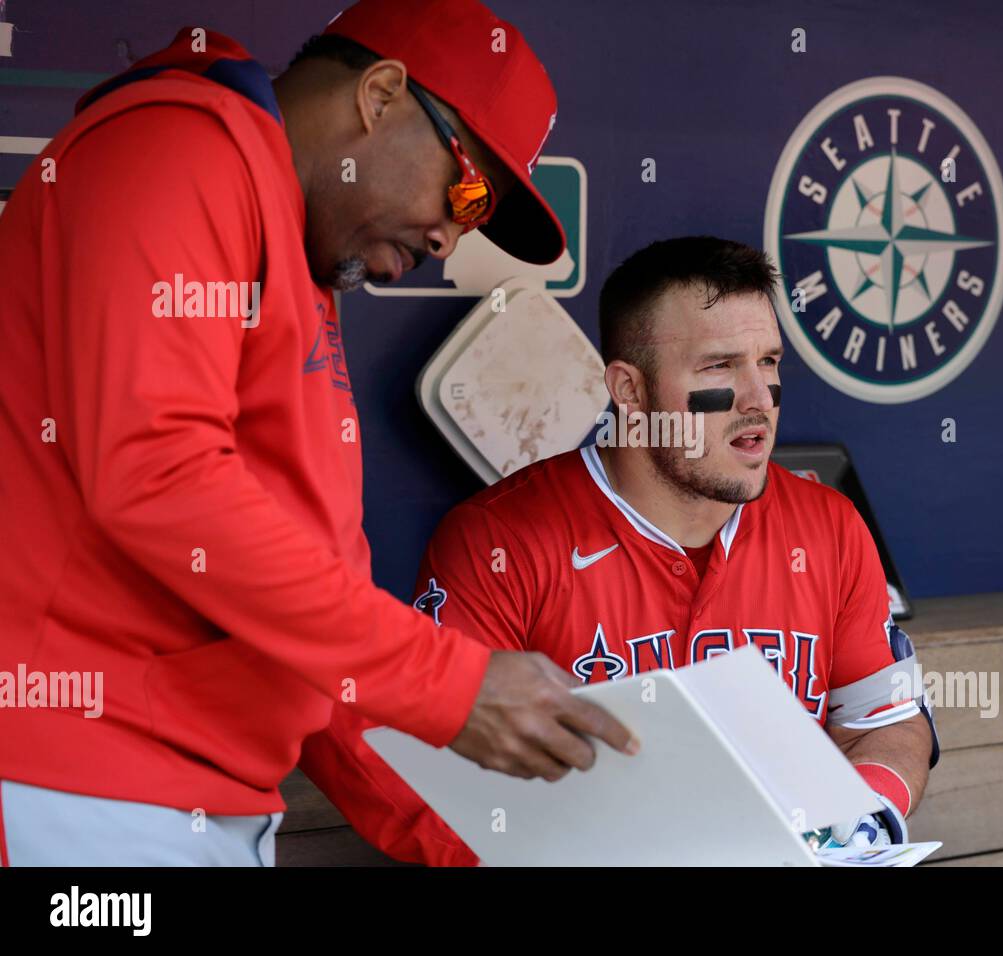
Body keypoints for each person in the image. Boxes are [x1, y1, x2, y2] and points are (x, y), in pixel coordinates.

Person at [0, 0, 632, 867]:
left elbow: (319, 649)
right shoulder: (178, 145)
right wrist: (451, 683)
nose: (451, 237)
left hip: (199, 807)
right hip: (74, 785)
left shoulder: (301, 272)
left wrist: (489, 855)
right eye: (467, 190)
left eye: (476, 219)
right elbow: (158, 476)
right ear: (380, 94)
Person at [317, 236, 941, 865]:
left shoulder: (828, 527)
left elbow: (885, 719)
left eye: (770, 362)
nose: (759, 398)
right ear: (630, 391)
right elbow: (427, 767)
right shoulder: (499, 541)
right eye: (720, 367)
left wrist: (858, 822)